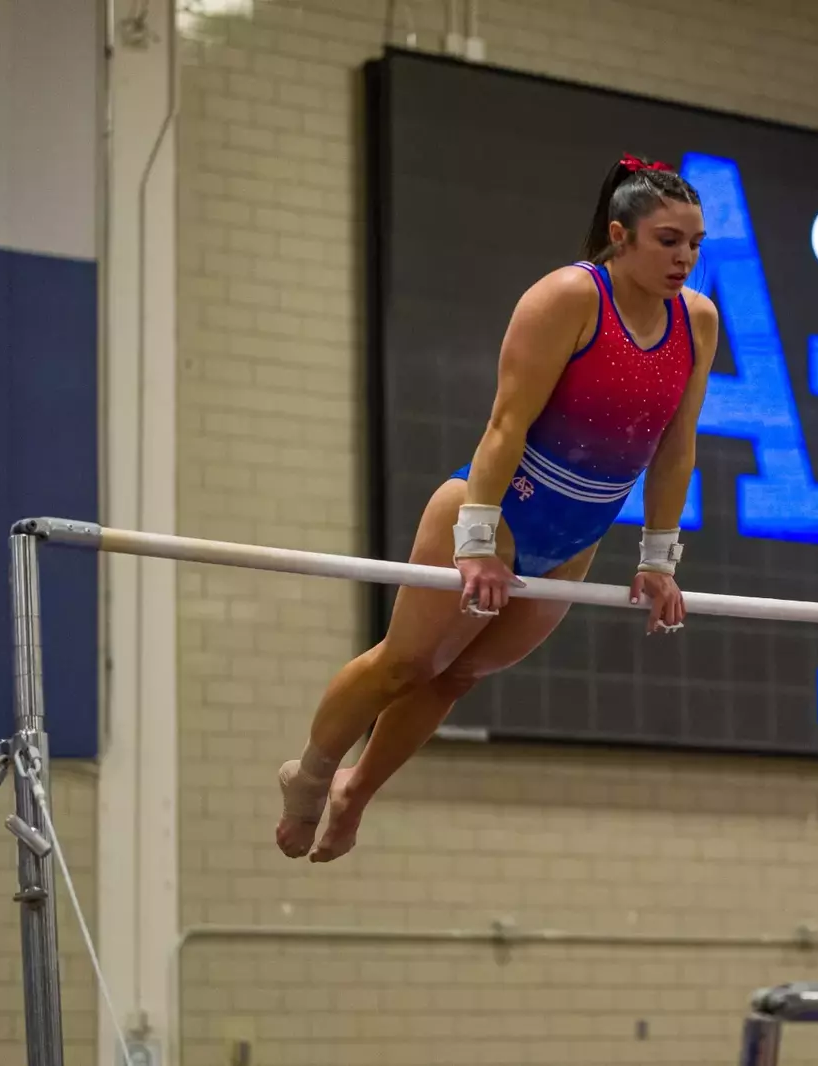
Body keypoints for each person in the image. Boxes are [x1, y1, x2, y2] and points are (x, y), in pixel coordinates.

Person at [275, 153, 719, 862]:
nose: (685, 258)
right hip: (499, 511)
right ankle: (310, 774)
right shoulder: (569, 298)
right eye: (669, 240)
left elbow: (675, 449)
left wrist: (658, 560)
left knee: (458, 676)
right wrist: (475, 540)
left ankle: (356, 790)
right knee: (406, 664)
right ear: (620, 233)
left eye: (696, 243)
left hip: (576, 535)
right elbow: (506, 425)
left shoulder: (696, 321)